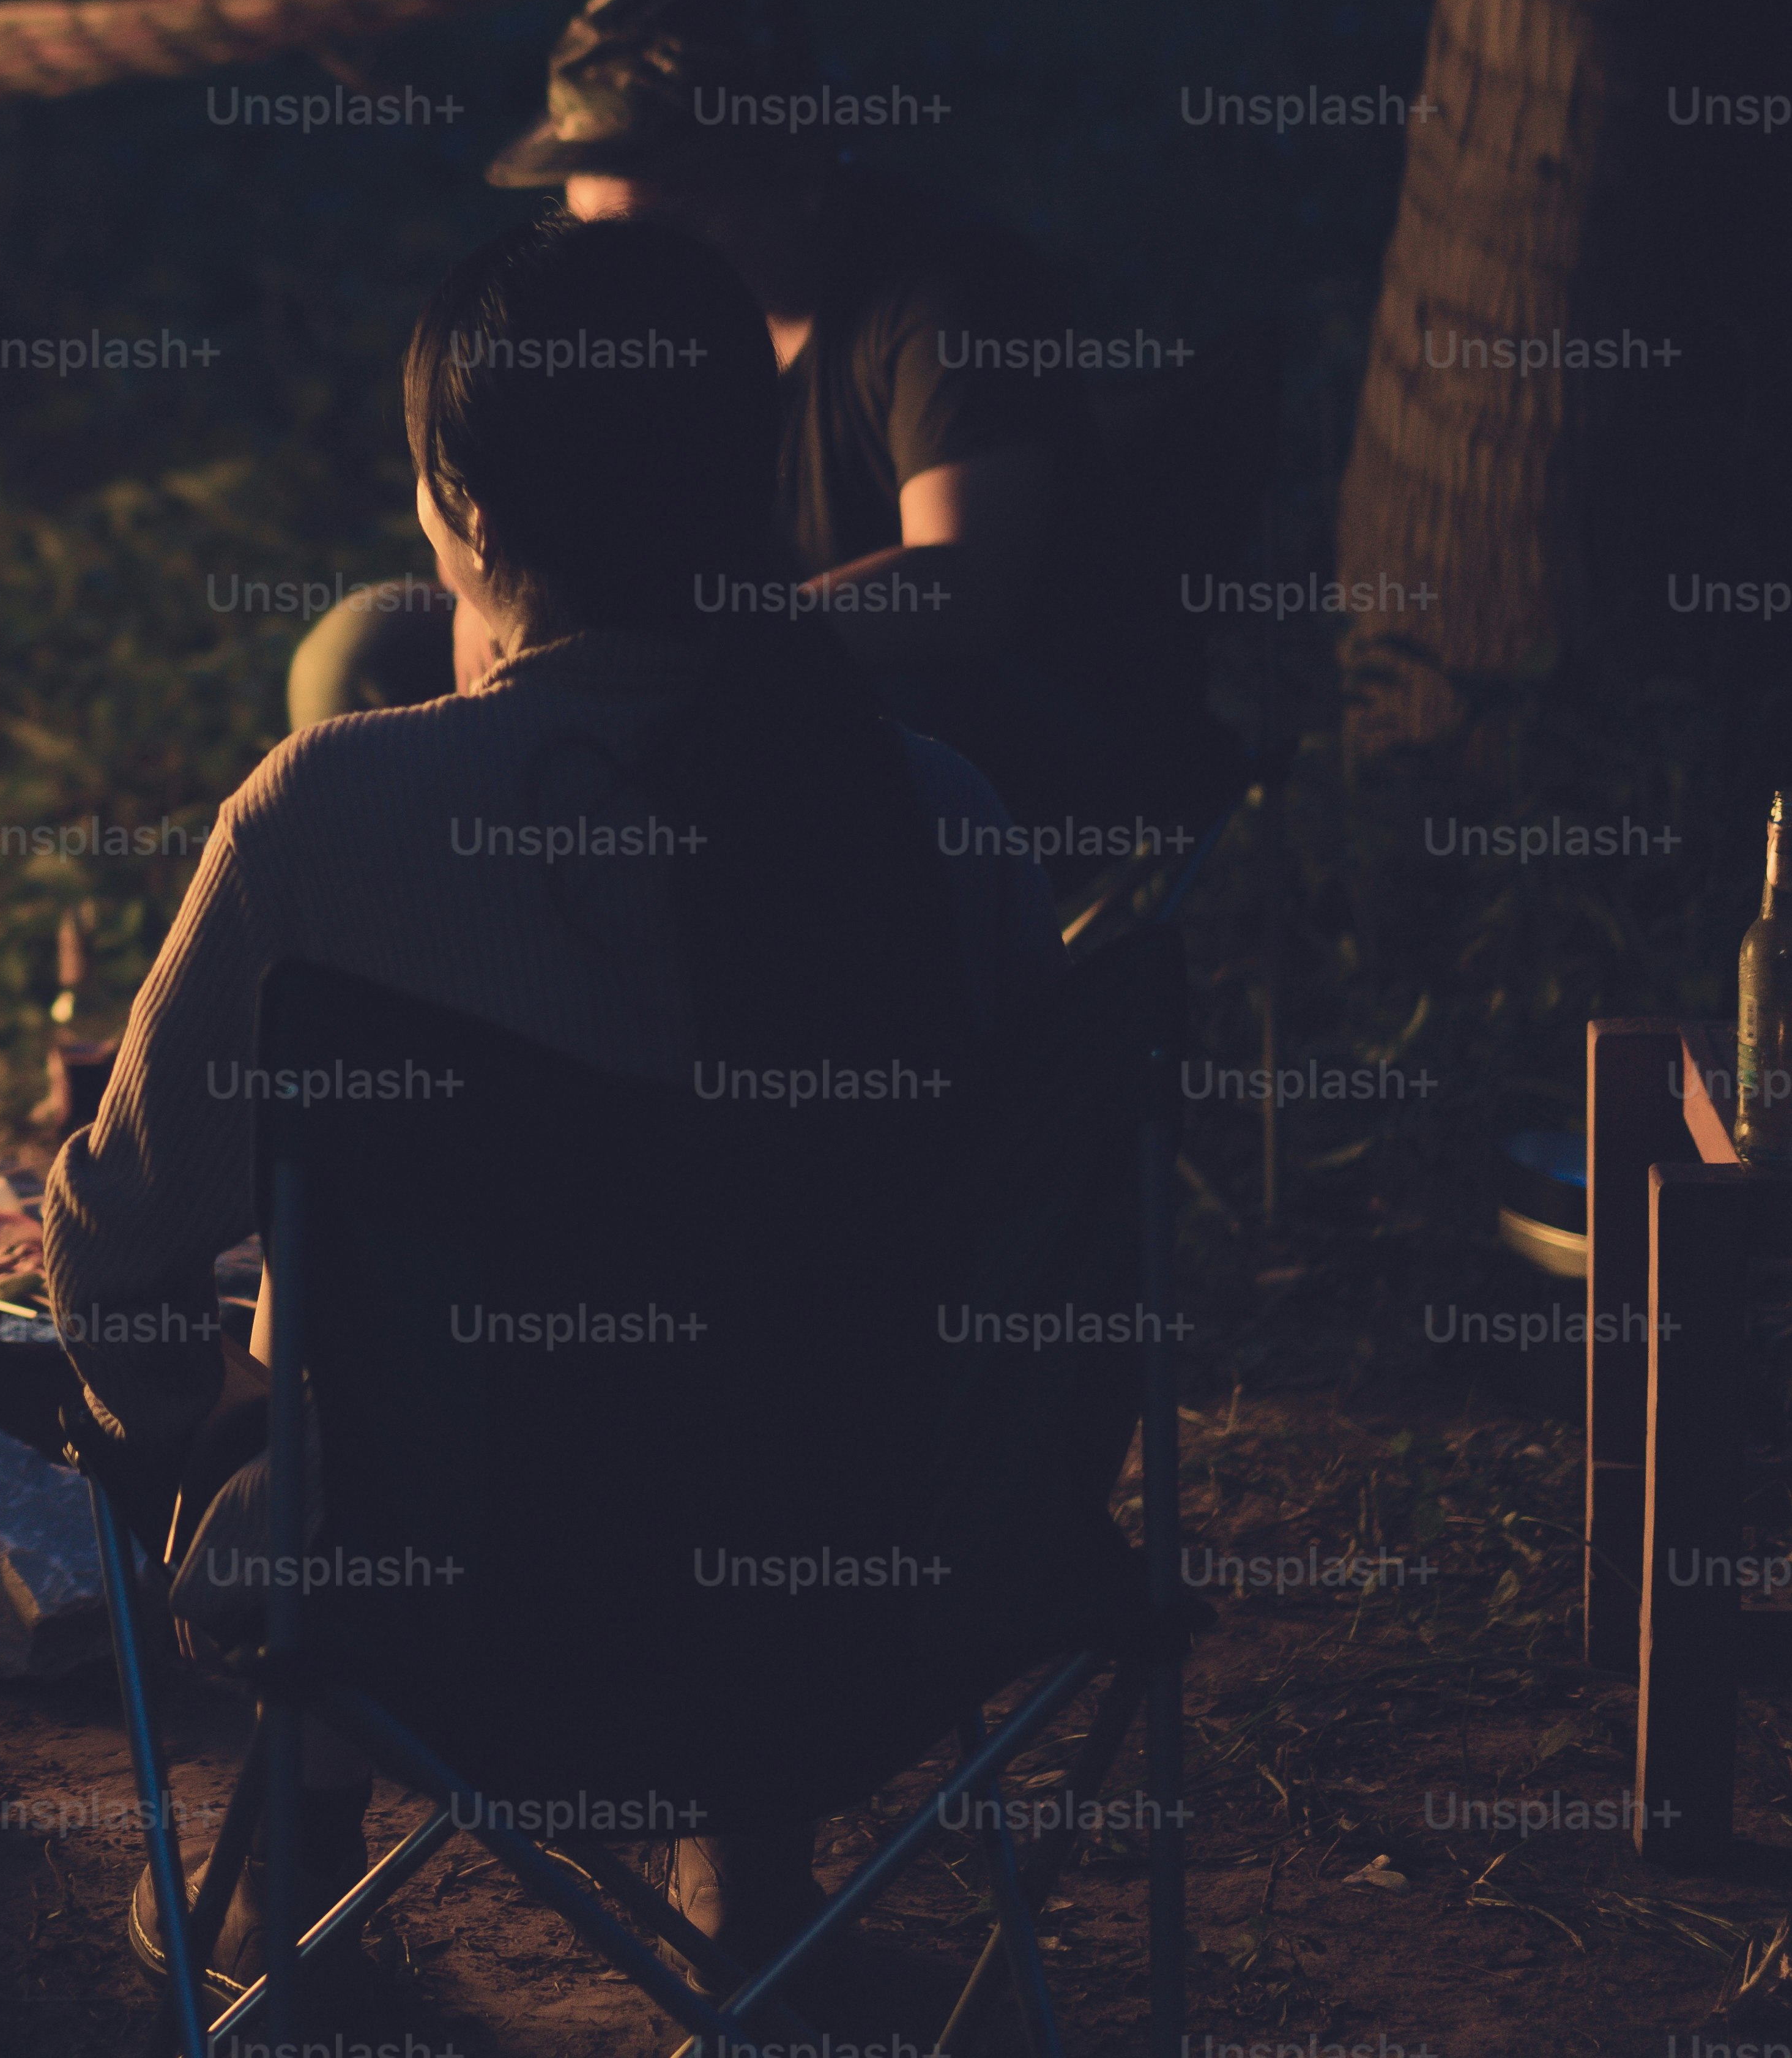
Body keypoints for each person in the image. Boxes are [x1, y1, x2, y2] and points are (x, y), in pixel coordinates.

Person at [51, 211, 1060, 1989]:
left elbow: (116, 1247)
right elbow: (1025, 1263)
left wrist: (223, 1414)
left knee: (321, 1337)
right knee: (751, 1310)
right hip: (875, 1600)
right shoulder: (937, 813)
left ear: (465, 510)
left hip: (445, 1616)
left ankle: (296, 1828)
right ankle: (748, 1864)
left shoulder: (329, 818)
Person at [281, 0, 1212, 840]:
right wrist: (490, 596)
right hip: (700, 691)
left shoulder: (949, 295)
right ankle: (469, 961)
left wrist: (667, 659)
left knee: (768, 737)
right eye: (590, 231)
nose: (617, 271)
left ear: (786, 170)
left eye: (652, 229)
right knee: (368, 654)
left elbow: (962, 585)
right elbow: (545, 510)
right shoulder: (632, 320)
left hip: (969, 729)